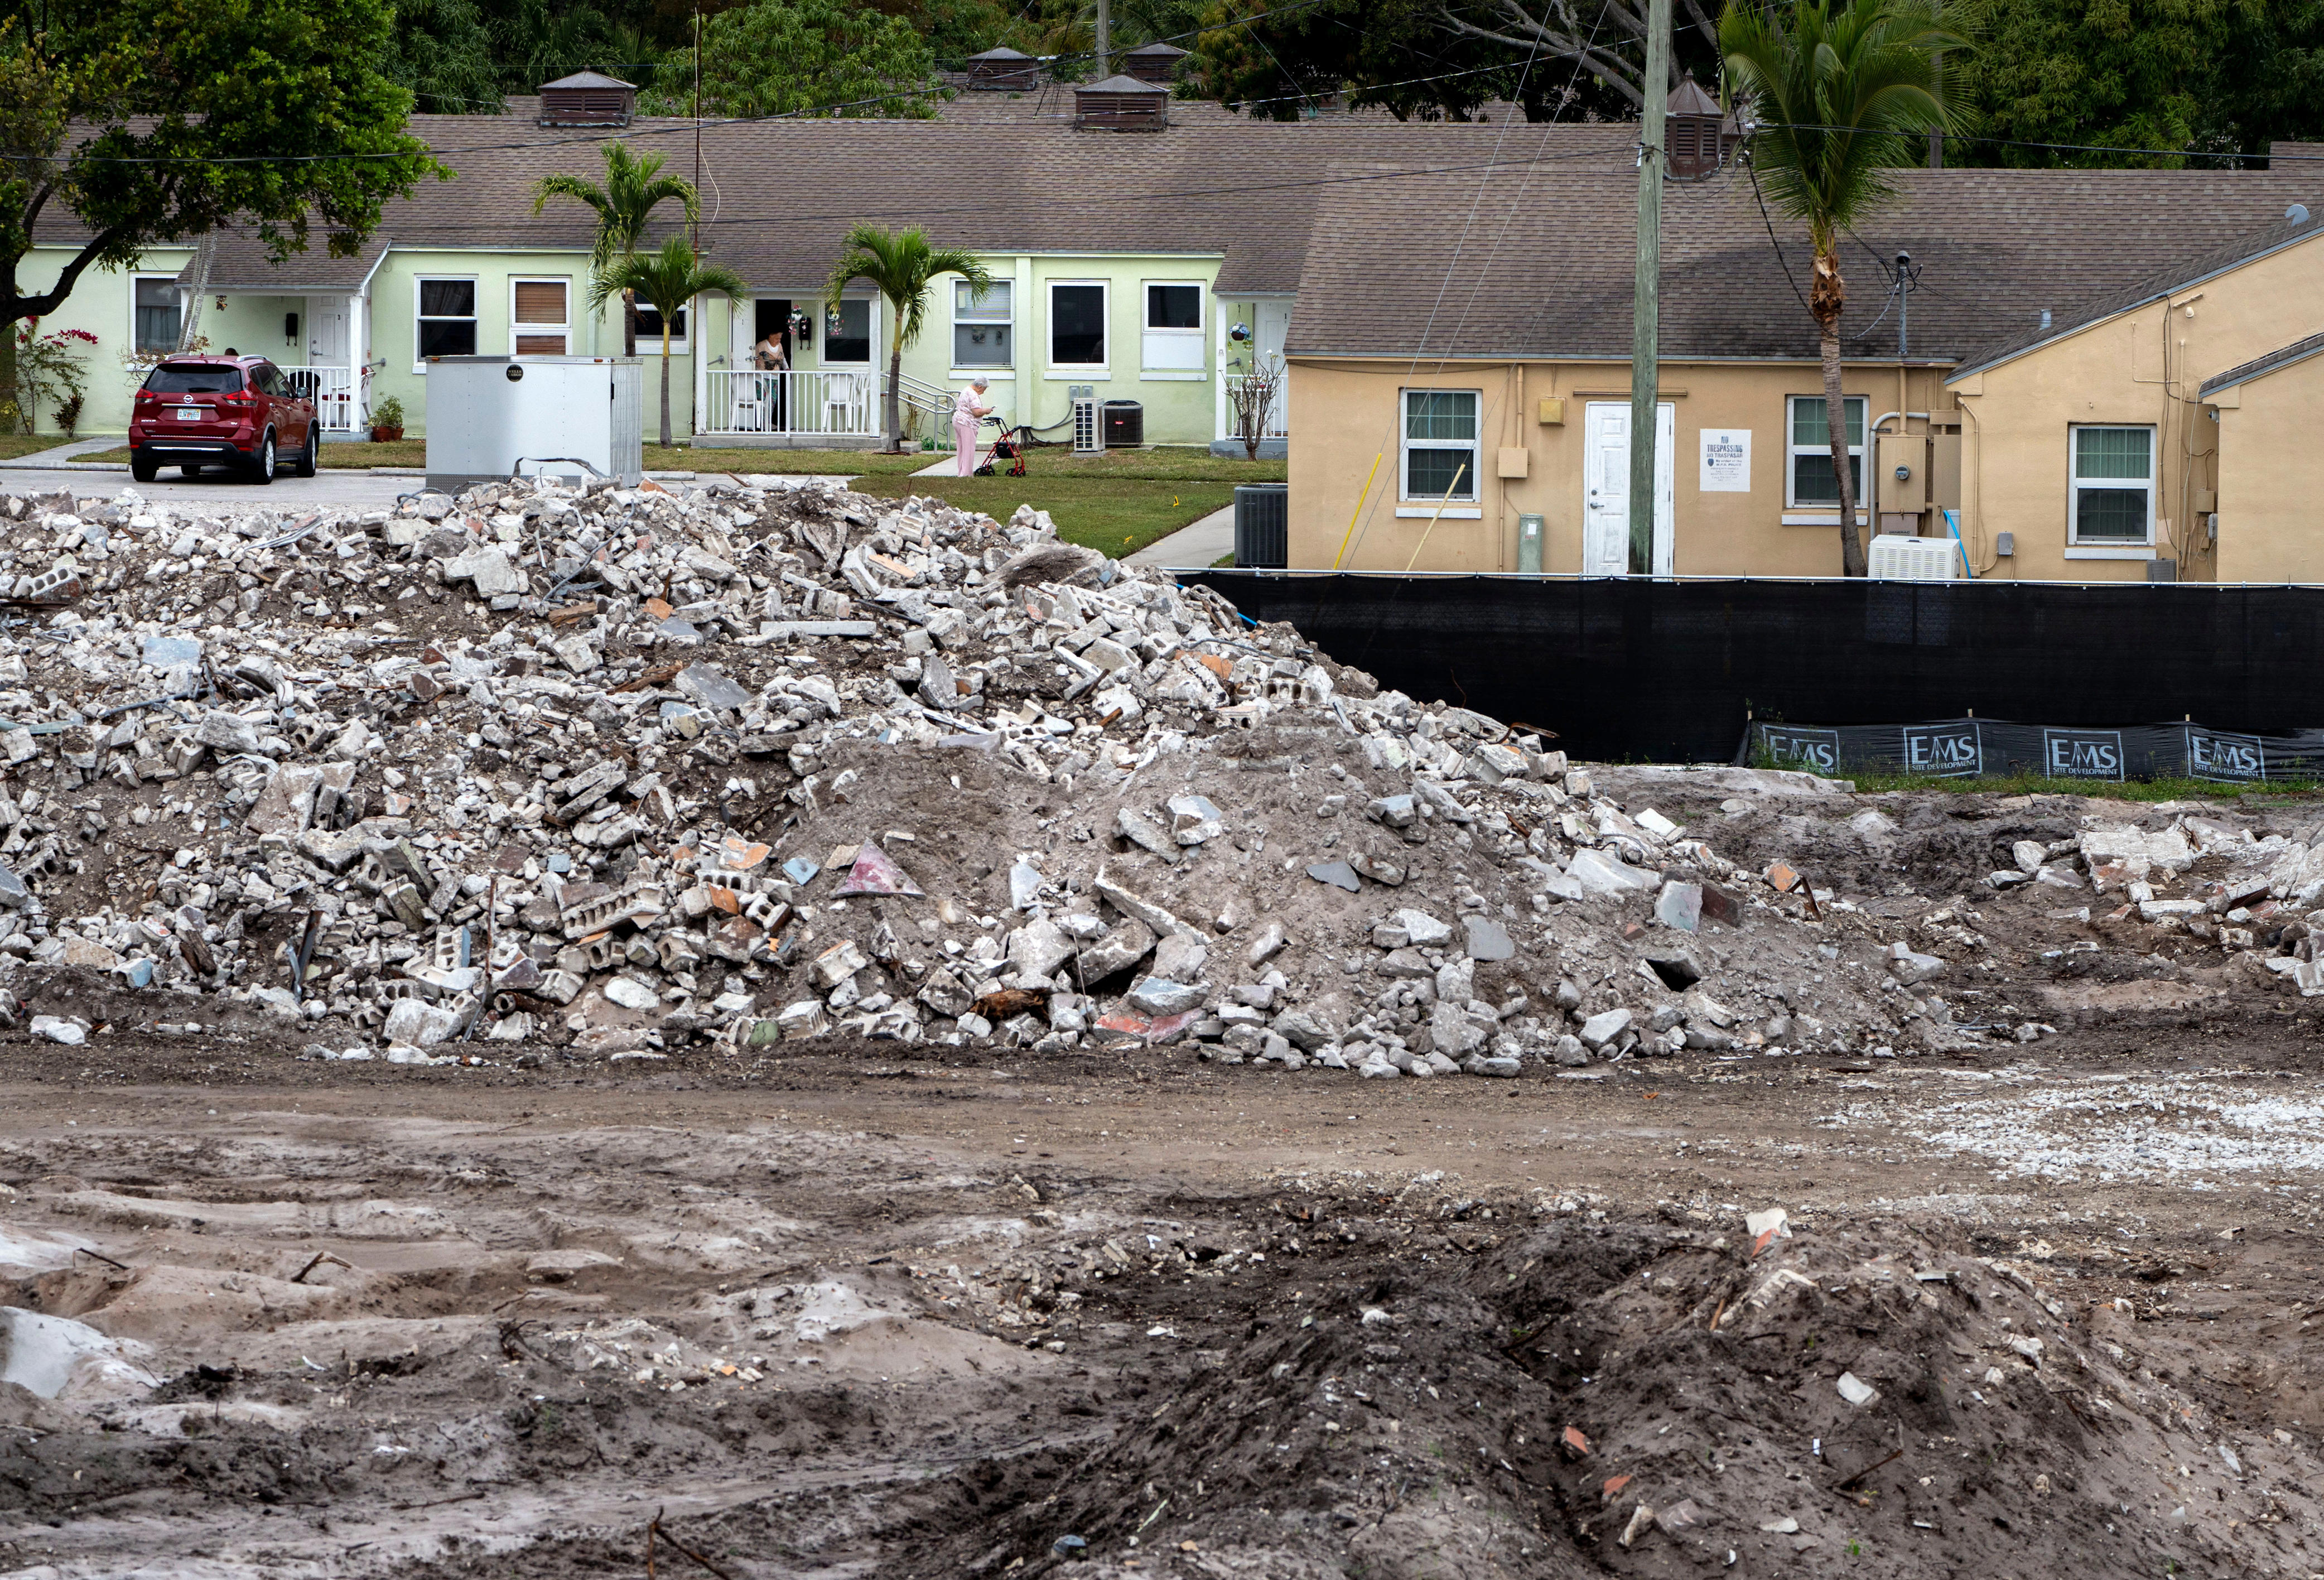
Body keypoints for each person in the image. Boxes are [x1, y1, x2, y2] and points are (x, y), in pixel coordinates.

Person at [953, 377, 995, 476]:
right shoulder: (973, 394)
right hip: (968, 424)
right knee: (969, 450)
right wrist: (987, 410)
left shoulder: (966, 390)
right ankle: (967, 474)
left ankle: (962, 472)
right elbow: (976, 412)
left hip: (958, 421)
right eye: (984, 390)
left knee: (962, 449)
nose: (983, 392)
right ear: (980, 387)